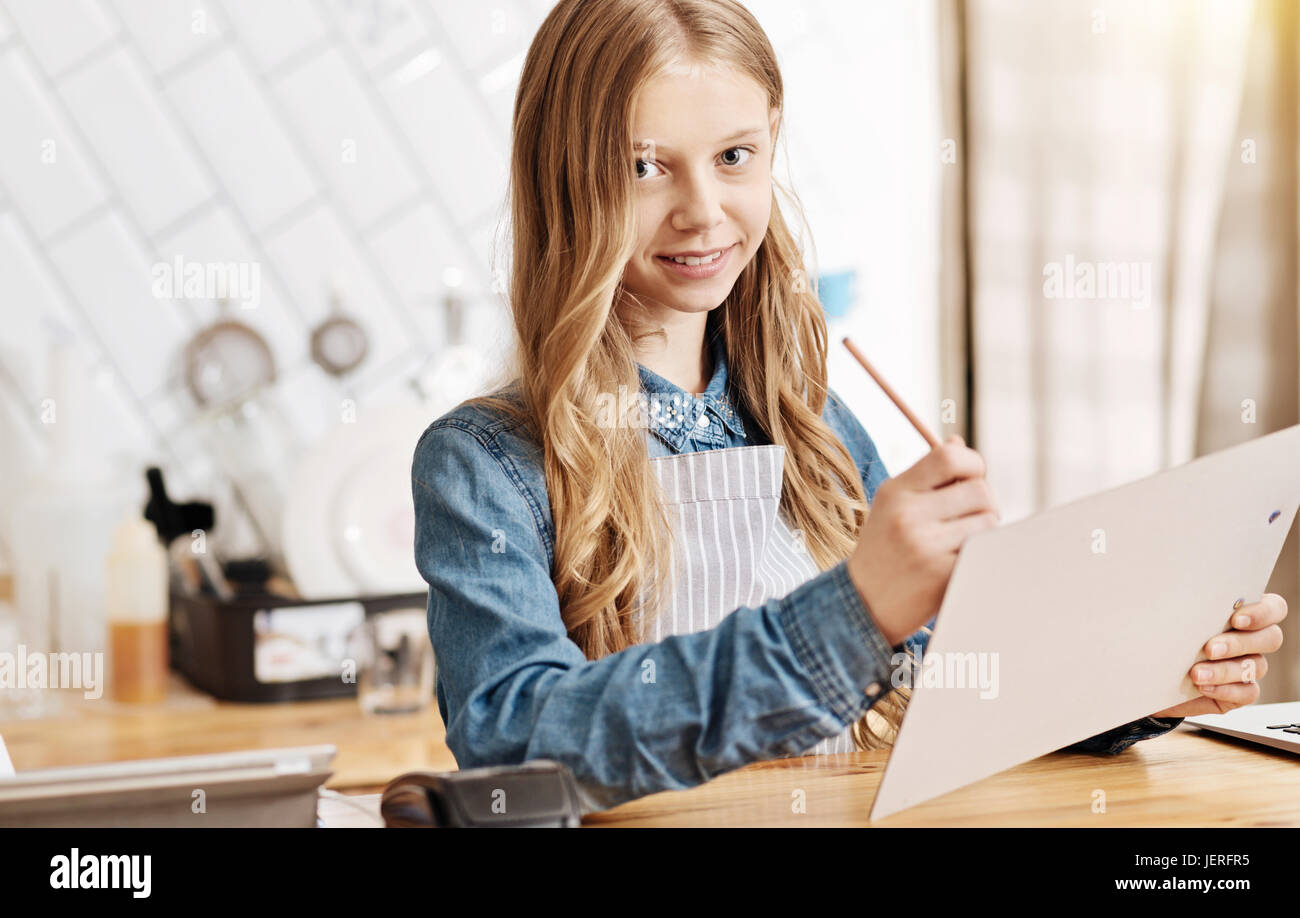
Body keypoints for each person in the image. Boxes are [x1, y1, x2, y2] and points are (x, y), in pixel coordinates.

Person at [411, 0, 1287, 813]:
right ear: (563, 175)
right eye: (645, 167)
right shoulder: (483, 463)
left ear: (771, 144)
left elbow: (966, 685)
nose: (703, 211)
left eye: (734, 156)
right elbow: (510, 746)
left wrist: (1146, 674)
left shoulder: (820, 426)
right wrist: (855, 612)